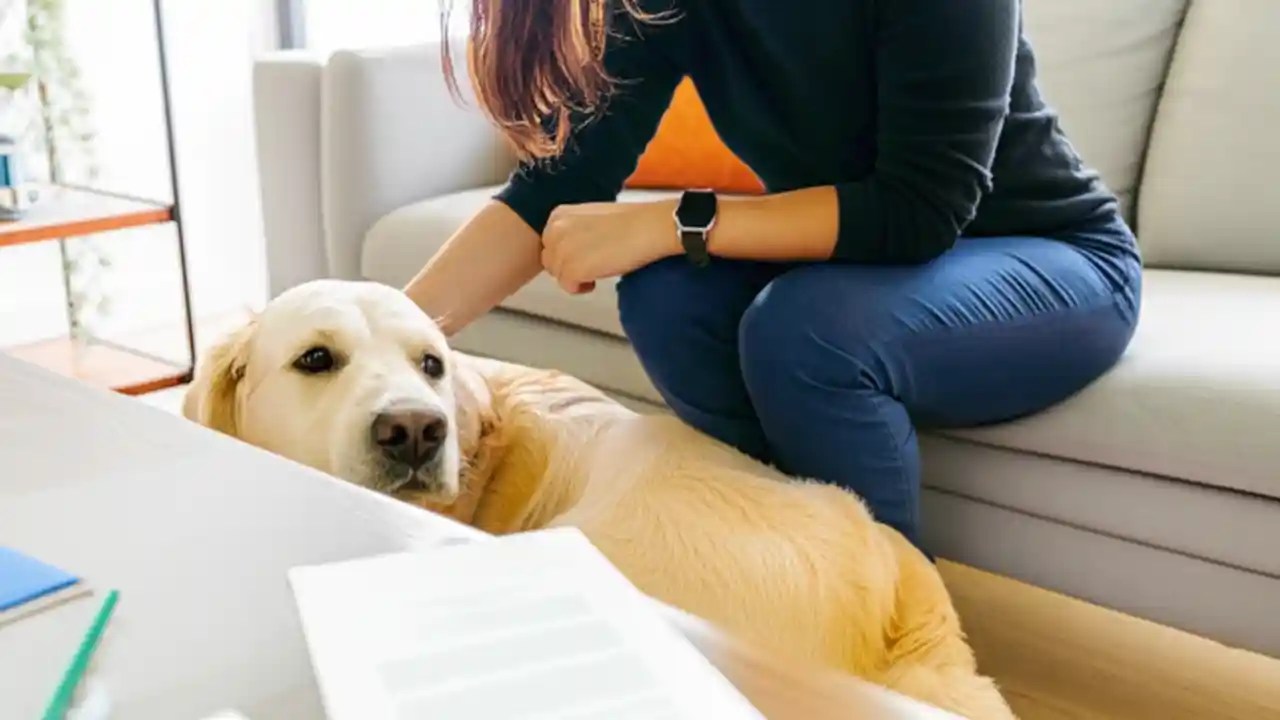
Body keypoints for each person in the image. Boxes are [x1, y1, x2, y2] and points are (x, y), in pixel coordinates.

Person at [404, 0, 1142, 549]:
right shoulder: (666, 5)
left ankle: (886, 640)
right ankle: (776, 571)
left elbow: (919, 209)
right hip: (875, 267)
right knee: (669, 298)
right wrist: (380, 337)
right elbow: (549, 195)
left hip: (1057, 259)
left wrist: (672, 219)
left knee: (803, 329)